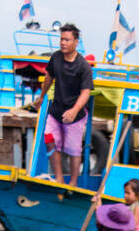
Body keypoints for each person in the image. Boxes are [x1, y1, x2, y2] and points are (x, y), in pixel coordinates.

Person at [34, 23, 93, 186]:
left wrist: (74, 110)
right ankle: (59, 179)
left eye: (67, 40)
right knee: (49, 139)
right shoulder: (56, 58)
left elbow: (86, 92)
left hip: (75, 115)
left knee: (74, 150)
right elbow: (48, 78)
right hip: (56, 111)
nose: (63, 43)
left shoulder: (83, 66)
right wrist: (41, 97)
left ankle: (73, 183)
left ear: (76, 42)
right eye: (61, 39)